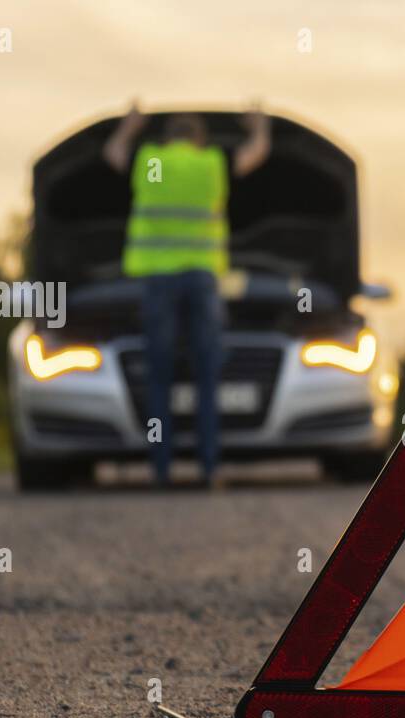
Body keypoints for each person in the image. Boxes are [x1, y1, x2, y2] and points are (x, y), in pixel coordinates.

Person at [102, 102, 271, 488]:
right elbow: (256, 154)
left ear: (167, 138)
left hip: (158, 281)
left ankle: (160, 470)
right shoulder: (211, 162)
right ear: (199, 139)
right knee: (206, 373)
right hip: (201, 277)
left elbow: (112, 154)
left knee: (159, 375)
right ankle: (209, 468)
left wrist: (130, 127)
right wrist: (259, 126)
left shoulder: (149, 162)